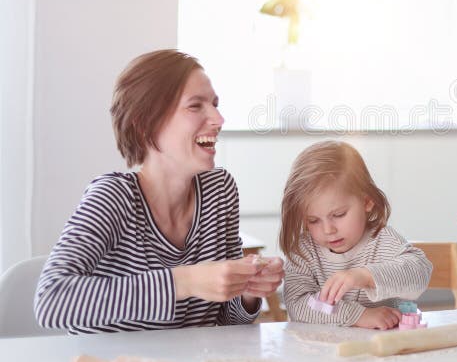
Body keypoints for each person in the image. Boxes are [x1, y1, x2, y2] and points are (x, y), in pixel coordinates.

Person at [35, 49, 285, 334]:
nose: (218, 119)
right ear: (146, 124)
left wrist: (249, 289)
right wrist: (185, 281)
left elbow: (228, 322)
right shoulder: (113, 196)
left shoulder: (220, 191)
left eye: (215, 104)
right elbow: (51, 300)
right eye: (195, 106)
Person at [280, 140, 432, 329]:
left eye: (338, 215)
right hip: (320, 350)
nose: (328, 230)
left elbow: (420, 273)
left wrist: (366, 276)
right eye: (313, 220)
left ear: (366, 201)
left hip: (380, 350)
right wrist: (359, 316)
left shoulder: (382, 240)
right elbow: (298, 305)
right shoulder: (304, 251)